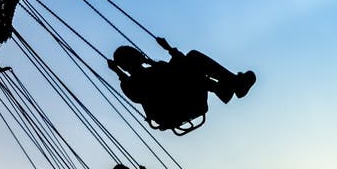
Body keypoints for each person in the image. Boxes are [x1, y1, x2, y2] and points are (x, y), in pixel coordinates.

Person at [108, 37, 256, 132]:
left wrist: (119, 71)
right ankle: (229, 86)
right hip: (178, 106)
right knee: (192, 59)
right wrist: (169, 49)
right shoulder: (144, 77)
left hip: (181, 103)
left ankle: (225, 88)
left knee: (190, 66)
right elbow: (178, 67)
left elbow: (175, 69)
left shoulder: (142, 77)